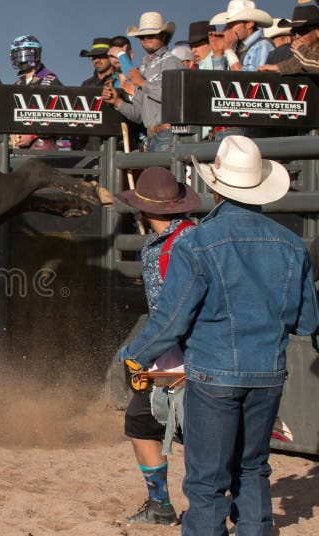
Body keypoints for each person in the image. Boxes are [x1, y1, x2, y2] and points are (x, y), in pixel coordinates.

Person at [118, 136, 319, 535]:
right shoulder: (292, 245)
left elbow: (172, 318)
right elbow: (307, 321)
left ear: (215, 188)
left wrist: (134, 354)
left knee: (207, 481)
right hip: (267, 372)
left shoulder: (198, 243)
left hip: (214, 372)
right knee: (253, 468)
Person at [115, 167, 201, 525]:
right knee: (143, 420)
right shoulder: (192, 234)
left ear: (144, 210)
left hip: (181, 354)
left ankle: (163, 505)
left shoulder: (168, 246)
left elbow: (171, 311)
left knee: (147, 422)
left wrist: (138, 352)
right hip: (186, 350)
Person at [102, 12, 183, 153]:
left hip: (168, 135)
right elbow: (139, 114)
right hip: (150, 136)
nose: (145, 39)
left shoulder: (171, 61)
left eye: (151, 35)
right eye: (141, 36)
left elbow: (174, 98)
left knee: (163, 175)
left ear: (163, 36)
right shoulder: (144, 66)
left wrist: (142, 83)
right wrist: (117, 102)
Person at [10, 34, 63, 151]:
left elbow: (58, 118)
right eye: (17, 56)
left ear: (36, 54)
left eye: (25, 55)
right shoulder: (17, 85)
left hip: (43, 146)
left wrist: (32, 135)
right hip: (20, 147)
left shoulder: (50, 81)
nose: (22, 59)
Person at [209, 0, 274, 72]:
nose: (227, 29)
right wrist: (218, 52)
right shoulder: (236, 47)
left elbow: (249, 80)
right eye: (227, 25)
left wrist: (229, 51)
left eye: (232, 24)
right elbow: (221, 79)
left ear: (249, 24)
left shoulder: (262, 45)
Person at [259, 5, 319, 74]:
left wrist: (303, 52)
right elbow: (298, 64)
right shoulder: (304, 54)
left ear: (317, 32)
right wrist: (277, 67)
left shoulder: (303, 53)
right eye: (293, 32)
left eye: (302, 31)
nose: (297, 36)